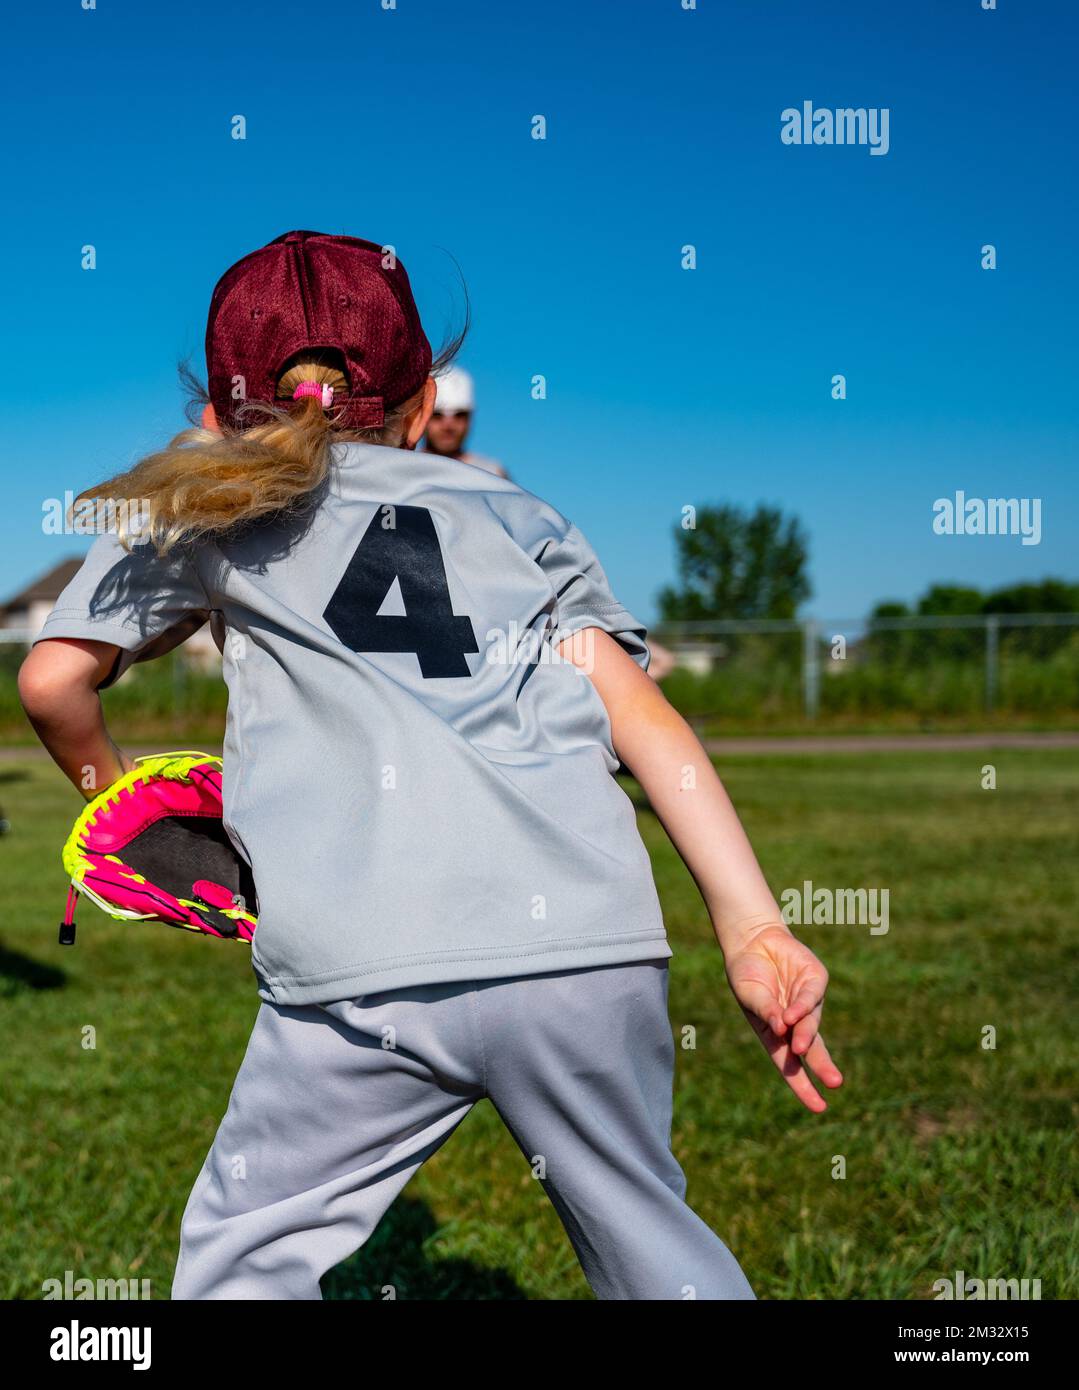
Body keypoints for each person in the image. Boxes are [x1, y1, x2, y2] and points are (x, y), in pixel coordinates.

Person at [18, 229, 842, 1301]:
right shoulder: (518, 513)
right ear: (421, 408)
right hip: (583, 946)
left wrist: (113, 790)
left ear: (216, 410)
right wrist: (753, 925)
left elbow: (50, 682)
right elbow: (644, 721)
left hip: (359, 965)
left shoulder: (205, 502)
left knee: (242, 1259)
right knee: (650, 1244)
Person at [423, 364, 508, 478]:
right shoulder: (405, 470)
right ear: (423, 417)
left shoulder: (492, 474)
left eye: (459, 415)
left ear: (470, 418)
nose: (448, 425)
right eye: (437, 415)